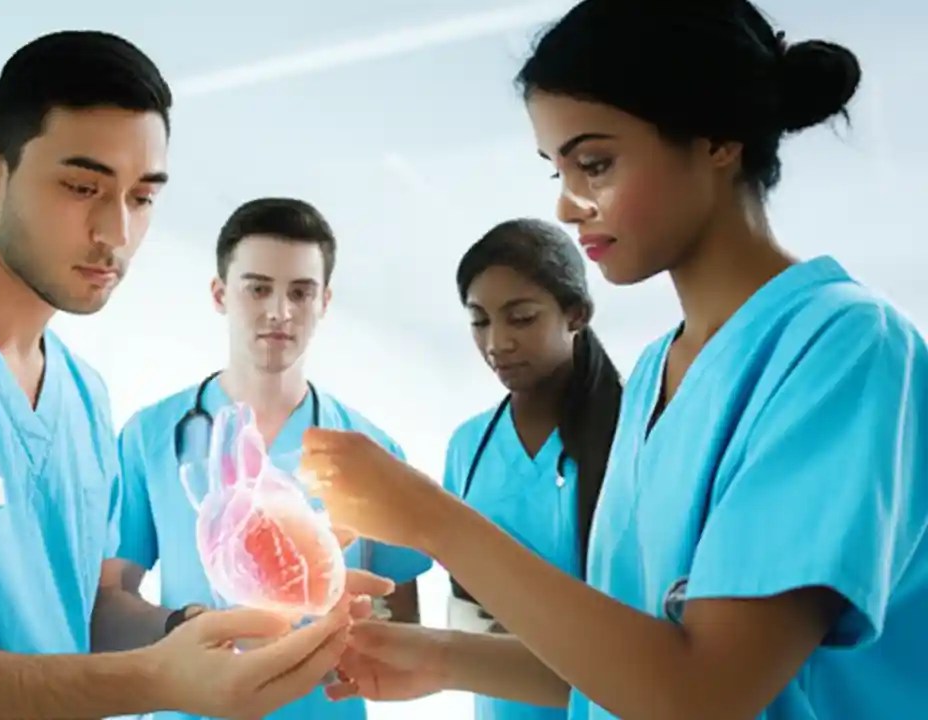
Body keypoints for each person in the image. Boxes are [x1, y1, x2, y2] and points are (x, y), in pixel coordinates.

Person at [303, 2, 928, 719]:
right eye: (557, 170)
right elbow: (630, 669)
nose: (570, 208)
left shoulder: (846, 348)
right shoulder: (654, 378)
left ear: (717, 137)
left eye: (594, 164)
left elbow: (704, 694)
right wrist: (442, 659)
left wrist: (432, 519)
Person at [0, 31, 387, 720]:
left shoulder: (82, 395)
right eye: (83, 187)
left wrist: (201, 632)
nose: (115, 232)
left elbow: (87, 614)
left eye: (142, 198)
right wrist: (155, 681)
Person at [101, 197, 433, 720]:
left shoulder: (372, 450)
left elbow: (401, 620)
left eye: (300, 292)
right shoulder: (151, 436)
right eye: (258, 288)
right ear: (220, 294)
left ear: (324, 301)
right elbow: (106, 607)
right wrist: (190, 628)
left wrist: (338, 639)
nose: (280, 311)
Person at [443, 218, 621, 720]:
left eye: (520, 318)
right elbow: (467, 613)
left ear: (575, 314)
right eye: (480, 321)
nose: (497, 342)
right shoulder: (467, 447)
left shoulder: (635, 437)